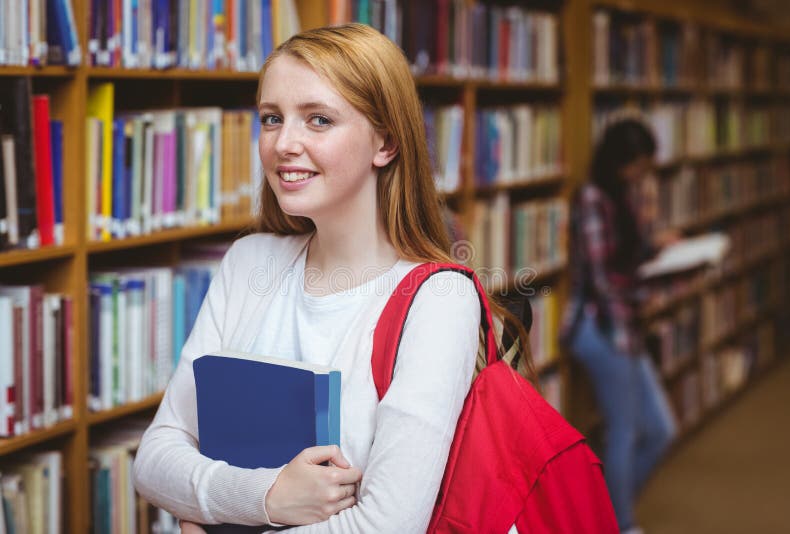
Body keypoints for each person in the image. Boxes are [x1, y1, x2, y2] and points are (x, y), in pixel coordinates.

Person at [133, 23, 535, 533]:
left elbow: (387, 526)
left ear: (385, 143)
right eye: (272, 118)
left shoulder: (439, 298)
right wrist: (268, 499)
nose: (284, 144)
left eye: (318, 120)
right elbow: (155, 458)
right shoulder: (248, 263)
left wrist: (208, 515)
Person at [561, 118, 678, 534]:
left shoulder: (623, 195)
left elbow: (627, 256)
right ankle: (619, 525)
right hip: (601, 329)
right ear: (619, 161)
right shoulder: (592, 198)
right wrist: (652, 284)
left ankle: (607, 515)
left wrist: (658, 249)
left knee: (661, 429)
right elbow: (604, 278)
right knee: (623, 433)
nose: (642, 174)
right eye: (638, 165)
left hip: (624, 325)